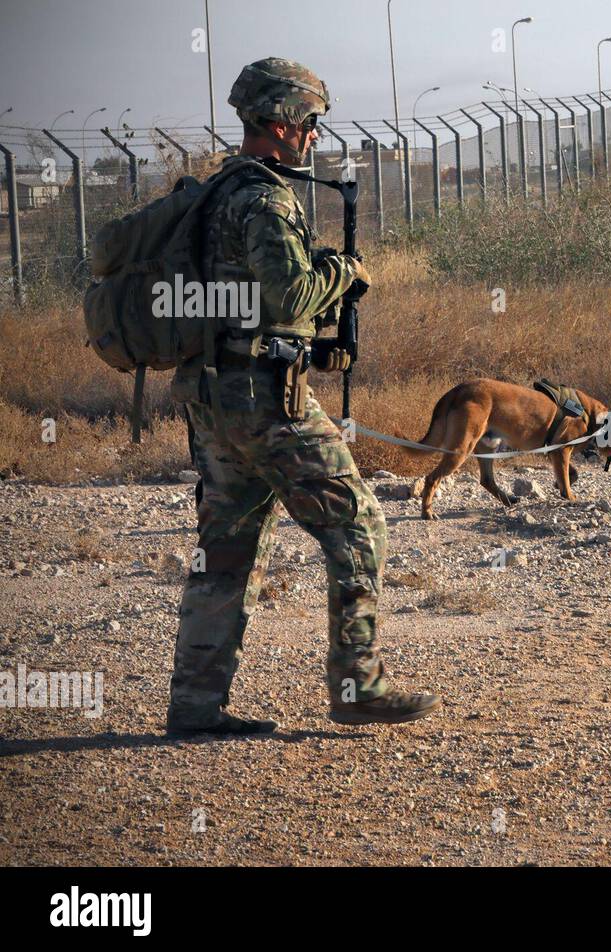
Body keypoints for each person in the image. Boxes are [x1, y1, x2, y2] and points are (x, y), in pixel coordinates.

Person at [166, 57, 438, 735]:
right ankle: (357, 683)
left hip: (212, 397)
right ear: (283, 122)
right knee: (358, 522)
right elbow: (289, 294)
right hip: (266, 401)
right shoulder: (264, 199)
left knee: (226, 551)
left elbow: (246, 308)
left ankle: (196, 708)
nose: (314, 136)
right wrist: (343, 272)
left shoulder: (215, 193)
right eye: (310, 123)